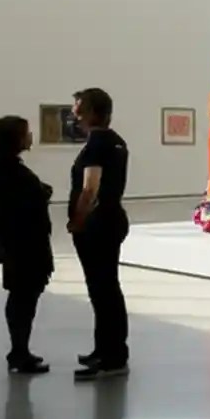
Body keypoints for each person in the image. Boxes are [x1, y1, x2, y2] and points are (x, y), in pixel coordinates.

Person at [0, 116, 54, 375]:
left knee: (24, 295)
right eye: (26, 133)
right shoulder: (4, 168)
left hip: (21, 241)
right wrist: (40, 194)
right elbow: (17, 204)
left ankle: (20, 350)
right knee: (23, 295)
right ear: (14, 138)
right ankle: (19, 352)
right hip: (24, 243)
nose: (30, 137)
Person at [67, 88, 130, 381]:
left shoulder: (96, 145)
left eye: (78, 108)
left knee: (102, 290)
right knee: (105, 289)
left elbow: (90, 188)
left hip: (98, 224)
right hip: (112, 220)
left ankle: (111, 357)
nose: (74, 115)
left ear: (93, 112)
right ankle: (106, 349)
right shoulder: (116, 141)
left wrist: (78, 220)